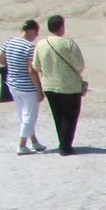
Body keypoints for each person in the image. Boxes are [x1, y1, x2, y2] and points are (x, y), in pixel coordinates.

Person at [30, 13, 86, 156]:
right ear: (61, 27)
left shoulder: (41, 44)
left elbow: (36, 65)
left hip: (49, 85)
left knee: (58, 115)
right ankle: (65, 146)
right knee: (70, 116)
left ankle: (63, 143)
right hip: (69, 86)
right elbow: (80, 65)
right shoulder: (68, 43)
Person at [0, 19, 46, 155]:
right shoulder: (29, 47)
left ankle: (34, 141)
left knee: (22, 115)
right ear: (31, 31)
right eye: (36, 32)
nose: (36, 35)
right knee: (30, 116)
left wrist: (13, 66)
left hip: (12, 84)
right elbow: (32, 70)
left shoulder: (10, 41)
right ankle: (22, 145)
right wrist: (39, 90)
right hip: (27, 87)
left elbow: (0, 60)